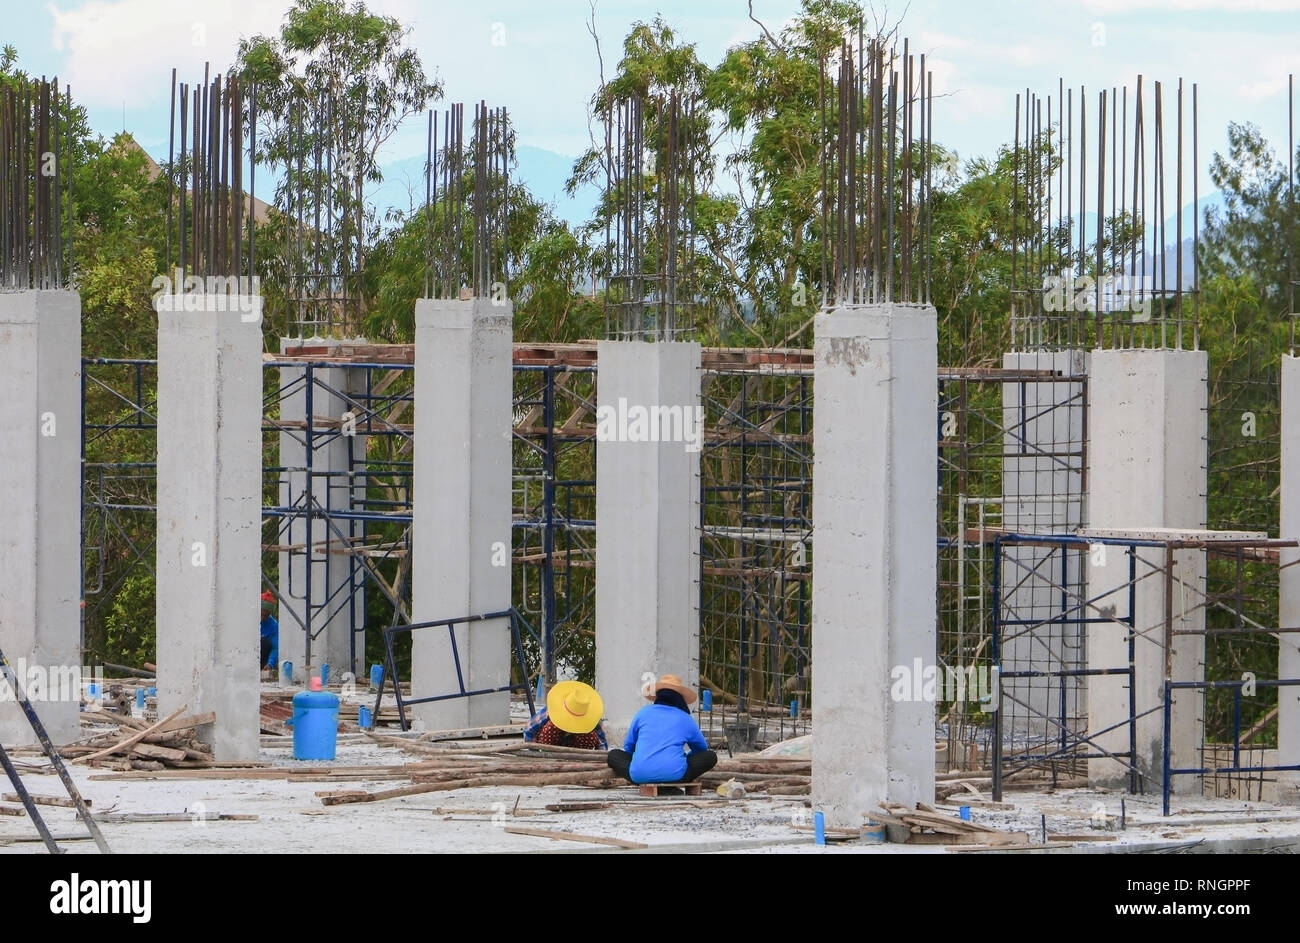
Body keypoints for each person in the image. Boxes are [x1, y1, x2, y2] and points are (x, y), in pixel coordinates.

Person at [607, 674, 717, 784]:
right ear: (680, 699)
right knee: (710, 756)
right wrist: (684, 757)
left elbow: (628, 747)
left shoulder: (643, 713)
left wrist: (642, 758)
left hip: (639, 776)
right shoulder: (686, 718)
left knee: (613, 755)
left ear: (658, 696)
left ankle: (645, 772)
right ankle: (668, 781)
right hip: (676, 775)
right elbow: (701, 749)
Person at [523, 680, 607, 749]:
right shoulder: (552, 711)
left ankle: (579, 760)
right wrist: (534, 752)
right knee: (551, 727)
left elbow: (602, 744)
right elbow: (528, 730)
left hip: (578, 751)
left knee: (590, 734)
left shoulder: (593, 720)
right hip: (551, 749)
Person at [260, 591, 278, 671]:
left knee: (265, 642)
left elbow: (275, 647)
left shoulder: (273, 625)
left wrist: (270, 664)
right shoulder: (248, 619)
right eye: (261, 614)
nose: (262, 618)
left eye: (265, 615)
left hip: (263, 657)